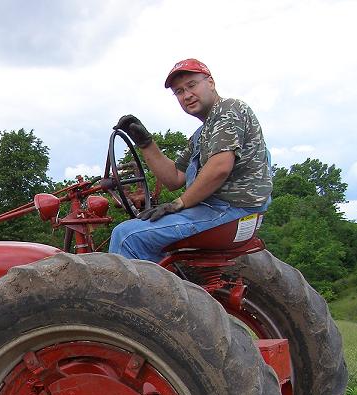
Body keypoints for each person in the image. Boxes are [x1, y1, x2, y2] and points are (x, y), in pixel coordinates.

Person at [109, 58, 272, 263]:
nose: (186, 95)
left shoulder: (230, 109)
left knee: (127, 236)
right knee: (139, 230)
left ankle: (147, 294)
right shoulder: (200, 135)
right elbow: (175, 178)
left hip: (231, 210)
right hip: (217, 209)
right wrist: (146, 144)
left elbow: (220, 167)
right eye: (179, 92)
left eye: (191, 85)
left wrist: (179, 203)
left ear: (210, 82)